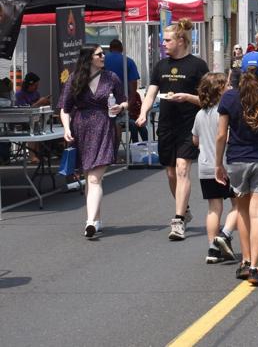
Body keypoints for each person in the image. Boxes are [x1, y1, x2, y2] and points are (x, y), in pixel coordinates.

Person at [215, 52, 258, 286]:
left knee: (242, 212)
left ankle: (245, 261)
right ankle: (255, 267)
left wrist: (218, 164)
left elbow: (221, 135)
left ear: (242, 71)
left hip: (236, 160)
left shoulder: (229, 97)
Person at [136, 19, 209, 241]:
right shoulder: (161, 66)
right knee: (170, 173)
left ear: (181, 40)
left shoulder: (198, 66)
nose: (163, 44)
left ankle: (178, 221)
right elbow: (151, 93)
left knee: (182, 169)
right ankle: (184, 209)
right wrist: (143, 112)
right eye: (163, 40)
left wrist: (187, 97)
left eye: (167, 40)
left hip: (189, 125)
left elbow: (207, 100)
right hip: (166, 125)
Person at [58, 45, 127, 238]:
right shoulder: (74, 79)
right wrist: (66, 128)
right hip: (81, 130)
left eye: (103, 53)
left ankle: (90, 223)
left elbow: (124, 100)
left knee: (94, 178)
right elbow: (64, 108)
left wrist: (120, 107)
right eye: (99, 54)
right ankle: (96, 219)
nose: (103, 56)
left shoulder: (111, 77)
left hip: (104, 128)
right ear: (89, 58)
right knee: (89, 176)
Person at [191, 72, 238, 264]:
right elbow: (228, 137)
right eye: (227, 86)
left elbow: (195, 140)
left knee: (213, 208)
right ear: (219, 90)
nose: (230, 88)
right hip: (226, 165)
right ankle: (225, 235)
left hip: (205, 167)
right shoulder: (225, 113)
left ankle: (212, 248)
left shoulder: (200, 114)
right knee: (238, 205)